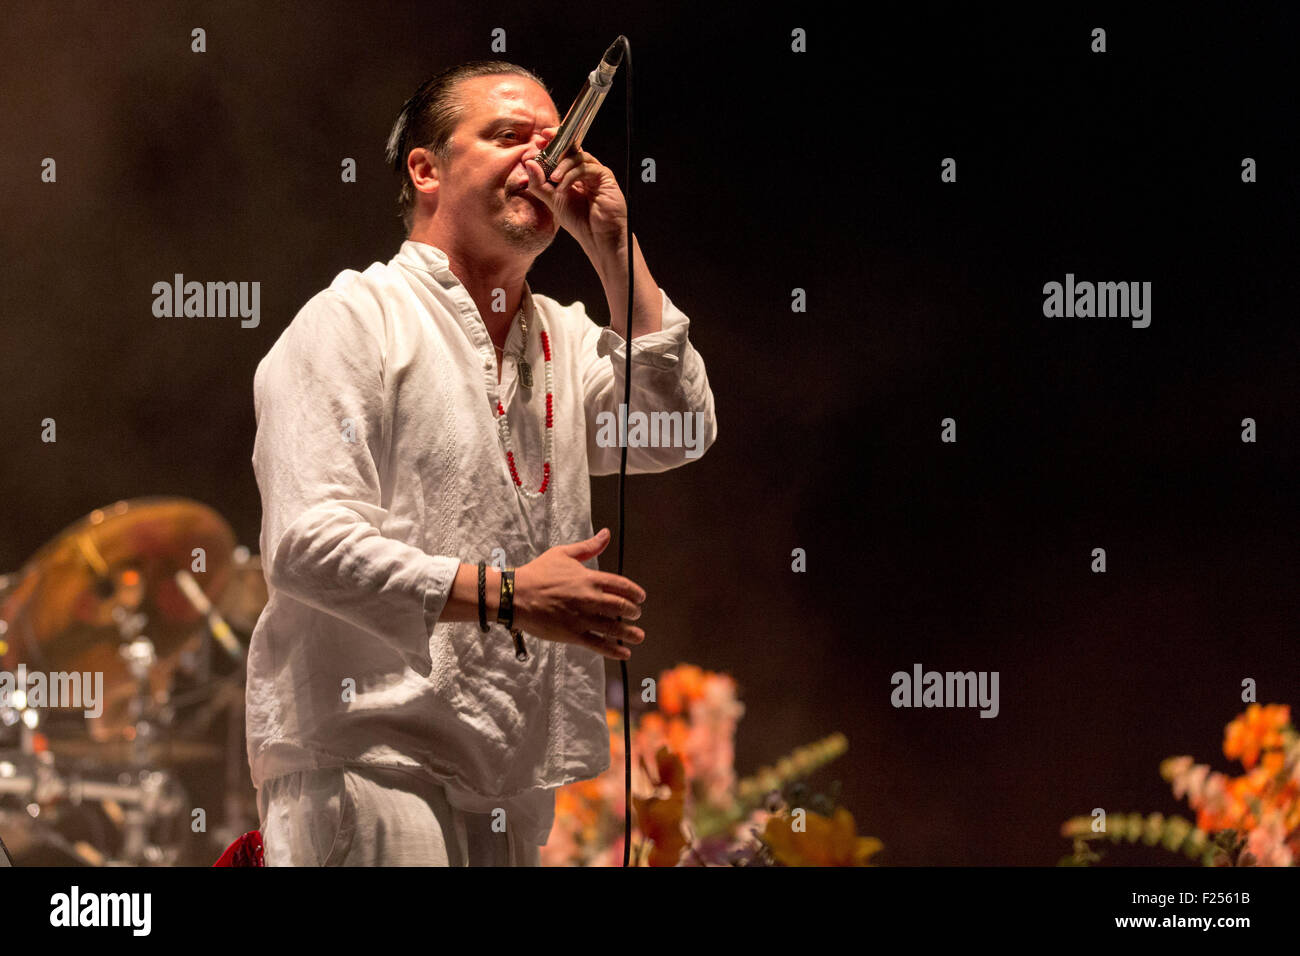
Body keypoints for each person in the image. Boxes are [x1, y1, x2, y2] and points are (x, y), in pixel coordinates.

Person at [246, 59, 717, 866]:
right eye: (507, 136)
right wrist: (510, 594)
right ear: (426, 169)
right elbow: (306, 544)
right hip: (370, 764)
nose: (544, 156)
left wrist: (614, 249)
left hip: (510, 780)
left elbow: (676, 428)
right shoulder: (354, 320)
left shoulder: (563, 339)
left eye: (553, 138)